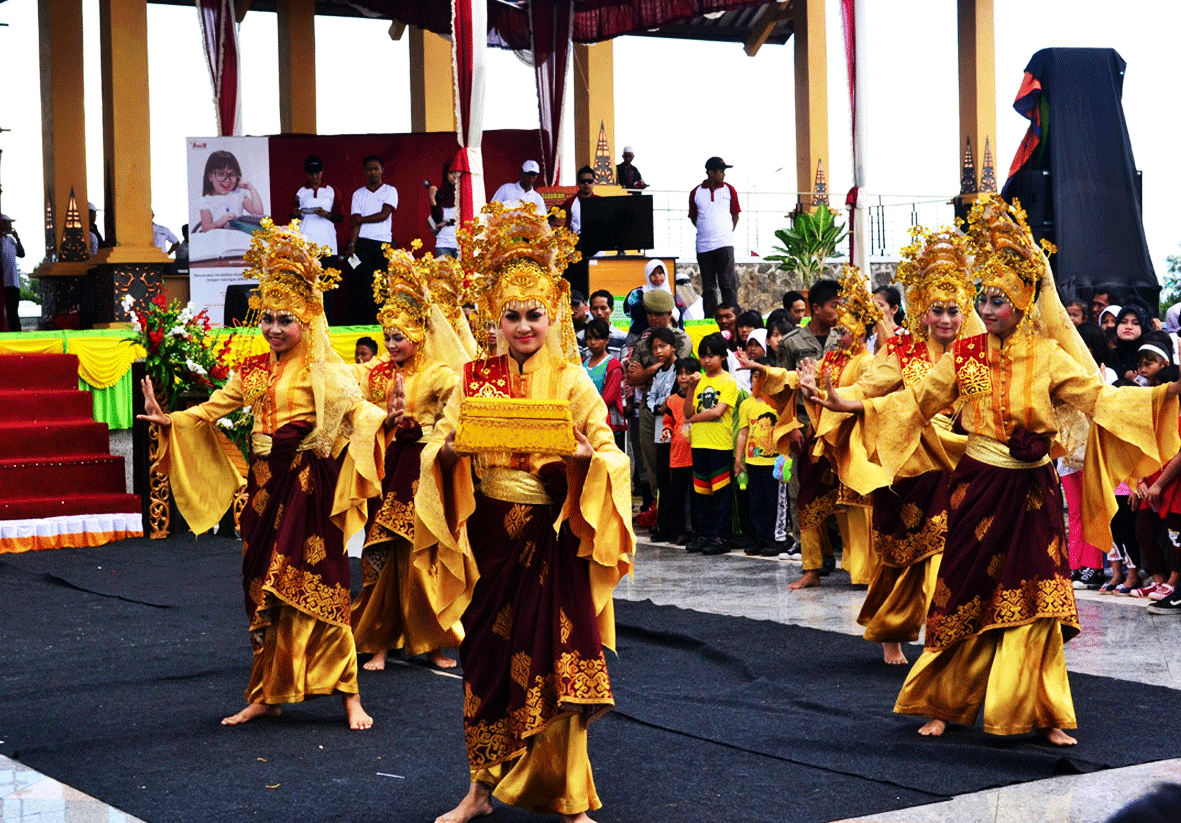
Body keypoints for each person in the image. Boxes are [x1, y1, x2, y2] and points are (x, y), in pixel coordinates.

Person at [808, 197, 1181, 745]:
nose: (987, 307)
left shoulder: (1049, 356)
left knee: (1038, 598)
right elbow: (917, 400)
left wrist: (1166, 395)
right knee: (959, 591)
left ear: (1025, 302)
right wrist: (849, 404)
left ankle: (1044, 711)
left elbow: (1097, 398)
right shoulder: (963, 358)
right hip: (977, 486)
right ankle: (944, 703)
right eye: (983, 298)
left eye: (998, 299)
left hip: (1032, 490)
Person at [421, 201, 633, 823]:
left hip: (550, 536)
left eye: (534, 314)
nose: (522, 326)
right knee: (485, 664)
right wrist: (451, 448)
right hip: (489, 535)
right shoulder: (475, 377)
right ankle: (478, 792)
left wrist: (584, 455)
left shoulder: (572, 380)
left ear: (553, 314)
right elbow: (439, 439)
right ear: (496, 317)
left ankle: (569, 798)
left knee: (558, 663)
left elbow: (613, 457)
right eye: (511, 315)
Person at [138, 218, 391, 730]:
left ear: (308, 319)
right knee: (260, 583)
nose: (275, 328)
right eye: (268, 317)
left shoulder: (324, 368)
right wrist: (172, 420)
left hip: (307, 485)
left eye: (286, 319)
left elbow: (359, 413)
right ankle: (266, 692)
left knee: (320, 578)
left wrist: (387, 420)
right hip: (262, 487)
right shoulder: (253, 369)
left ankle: (348, 694)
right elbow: (215, 406)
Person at [810, 228, 978, 661]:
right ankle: (892, 633)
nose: (945, 319)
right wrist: (841, 402)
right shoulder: (903, 350)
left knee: (949, 550)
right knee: (902, 555)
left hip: (958, 464)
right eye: (937, 310)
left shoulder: (974, 353)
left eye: (953, 311)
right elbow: (870, 389)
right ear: (922, 311)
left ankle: (945, 632)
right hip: (908, 464)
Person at [350, 246, 472, 673]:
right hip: (388, 468)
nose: (391, 344)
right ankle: (379, 640)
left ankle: (432, 641)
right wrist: (385, 417)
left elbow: (457, 410)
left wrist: (424, 430)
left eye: (398, 336)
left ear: (419, 333)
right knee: (382, 552)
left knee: (425, 552)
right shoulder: (378, 373)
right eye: (387, 337)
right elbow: (348, 397)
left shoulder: (439, 373)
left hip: (425, 469)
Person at [624, 289, 693, 522]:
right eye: (650, 313)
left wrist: (648, 371)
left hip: (674, 408)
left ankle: (674, 513)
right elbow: (633, 378)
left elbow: (676, 369)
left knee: (673, 461)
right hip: (648, 407)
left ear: (669, 313)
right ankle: (658, 505)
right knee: (650, 459)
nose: (653, 318)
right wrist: (653, 370)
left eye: (659, 313)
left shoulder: (681, 339)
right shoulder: (644, 342)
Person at [684, 332, 739, 556]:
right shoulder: (698, 380)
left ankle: (721, 535)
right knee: (701, 492)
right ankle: (705, 533)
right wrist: (690, 388)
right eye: (703, 356)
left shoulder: (728, 382)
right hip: (699, 442)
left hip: (720, 444)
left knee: (721, 492)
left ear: (722, 357)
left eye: (712, 356)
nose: (707, 361)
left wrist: (692, 420)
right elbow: (687, 410)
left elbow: (717, 411)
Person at [734, 355, 782, 557]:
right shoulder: (747, 404)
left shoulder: (779, 402)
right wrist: (738, 460)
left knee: (775, 501)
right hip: (753, 460)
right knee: (756, 500)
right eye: (755, 375)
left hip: (776, 461)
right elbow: (743, 432)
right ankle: (759, 536)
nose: (759, 380)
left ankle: (775, 538)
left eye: (764, 375)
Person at [345, 155, 399, 325]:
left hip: (383, 243)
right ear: (364, 172)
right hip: (363, 244)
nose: (373, 172)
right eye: (369, 169)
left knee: (383, 285)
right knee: (363, 286)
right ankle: (366, 324)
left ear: (382, 170)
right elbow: (355, 222)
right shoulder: (358, 194)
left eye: (376, 168)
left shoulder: (390, 190)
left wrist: (361, 220)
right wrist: (352, 243)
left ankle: (385, 322)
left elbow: (384, 215)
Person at [688, 156, 740, 317]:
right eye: (720, 171)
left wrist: (725, 232)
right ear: (710, 172)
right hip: (704, 246)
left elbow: (735, 214)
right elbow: (694, 217)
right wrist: (706, 230)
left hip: (724, 244)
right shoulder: (696, 192)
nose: (723, 174)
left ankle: (731, 315)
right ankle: (710, 319)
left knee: (727, 284)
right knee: (709, 287)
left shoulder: (729, 190)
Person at [643, 326, 680, 542]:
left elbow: (674, 399)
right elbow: (651, 399)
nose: (659, 351)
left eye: (663, 346)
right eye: (655, 347)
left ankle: (675, 526)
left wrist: (664, 406)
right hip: (660, 431)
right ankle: (663, 524)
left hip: (675, 432)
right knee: (662, 481)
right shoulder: (658, 372)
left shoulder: (679, 369)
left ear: (673, 347)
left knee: (675, 482)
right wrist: (658, 407)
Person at [660, 357, 700, 546]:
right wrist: (666, 429)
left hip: (696, 453)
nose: (683, 377)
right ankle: (678, 531)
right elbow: (668, 420)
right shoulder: (673, 400)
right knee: (676, 495)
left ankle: (696, 531)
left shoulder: (700, 396)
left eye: (688, 373)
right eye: (680, 373)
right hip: (677, 454)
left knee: (695, 495)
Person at [582, 318, 627, 452]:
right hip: (586, 419)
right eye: (589, 338)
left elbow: (609, 397)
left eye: (597, 338)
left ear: (607, 340)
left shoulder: (613, 365)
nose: (592, 342)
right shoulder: (582, 362)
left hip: (606, 421)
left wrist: (588, 410)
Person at [197, 149, 264, 234]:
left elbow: (258, 213)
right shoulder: (206, 200)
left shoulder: (238, 194)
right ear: (210, 176)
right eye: (221, 174)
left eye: (231, 175)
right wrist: (220, 222)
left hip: (238, 238)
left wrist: (251, 188)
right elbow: (206, 228)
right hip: (218, 240)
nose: (227, 180)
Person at [292, 155, 340, 257]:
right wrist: (295, 214)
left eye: (317, 173)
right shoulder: (300, 192)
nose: (314, 177)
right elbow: (294, 219)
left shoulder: (331, 190)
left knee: (327, 272)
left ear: (322, 172)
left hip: (327, 242)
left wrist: (327, 215)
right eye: (311, 173)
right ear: (306, 173)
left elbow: (340, 217)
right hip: (305, 242)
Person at [623, 259, 683, 337]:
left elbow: (679, 320)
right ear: (647, 275)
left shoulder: (669, 296)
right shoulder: (638, 293)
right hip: (640, 335)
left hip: (666, 337)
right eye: (653, 273)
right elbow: (628, 312)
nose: (657, 276)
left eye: (660, 273)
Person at [429, 161, 461, 258]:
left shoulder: (465, 193)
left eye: (456, 173)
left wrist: (446, 223)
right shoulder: (441, 194)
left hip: (461, 244)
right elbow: (437, 218)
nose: (454, 176)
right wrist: (432, 198)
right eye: (451, 173)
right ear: (446, 175)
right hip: (443, 244)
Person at [587, 289, 628, 361]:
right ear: (590, 310)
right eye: (595, 308)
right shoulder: (580, 337)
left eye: (603, 308)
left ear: (611, 309)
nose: (599, 312)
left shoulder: (622, 337)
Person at [1, 214, 24, 333]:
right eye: (8, 223)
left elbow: (22, 254)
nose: (10, 225)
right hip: (4, 282)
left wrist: (17, 238)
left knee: (13, 310)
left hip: (13, 282)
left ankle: (16, 333)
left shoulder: (10, 240)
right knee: (7, 312)